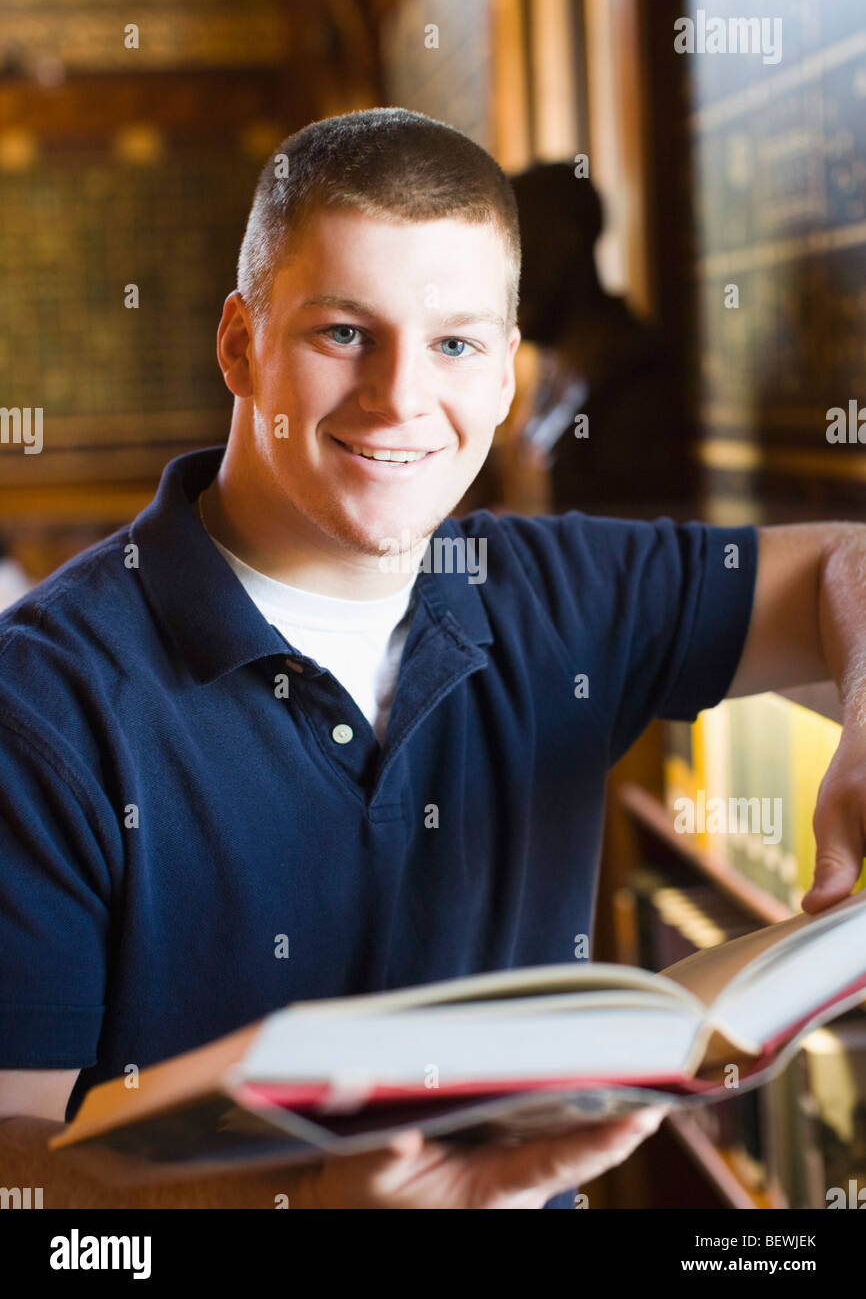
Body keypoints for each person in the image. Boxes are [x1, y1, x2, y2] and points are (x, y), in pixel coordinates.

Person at [1, 107, 865, 1211]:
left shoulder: (556, 589)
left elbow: (842, 564)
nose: (400, 397)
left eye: (453, 343)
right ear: (238, 344)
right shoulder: (41, 704)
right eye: (343, 333)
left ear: (505, 373)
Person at [507, 161, 696, 520]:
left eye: (518, 253)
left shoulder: (636, 375)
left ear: (566, 245)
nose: (505, 280)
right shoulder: (550, 372)